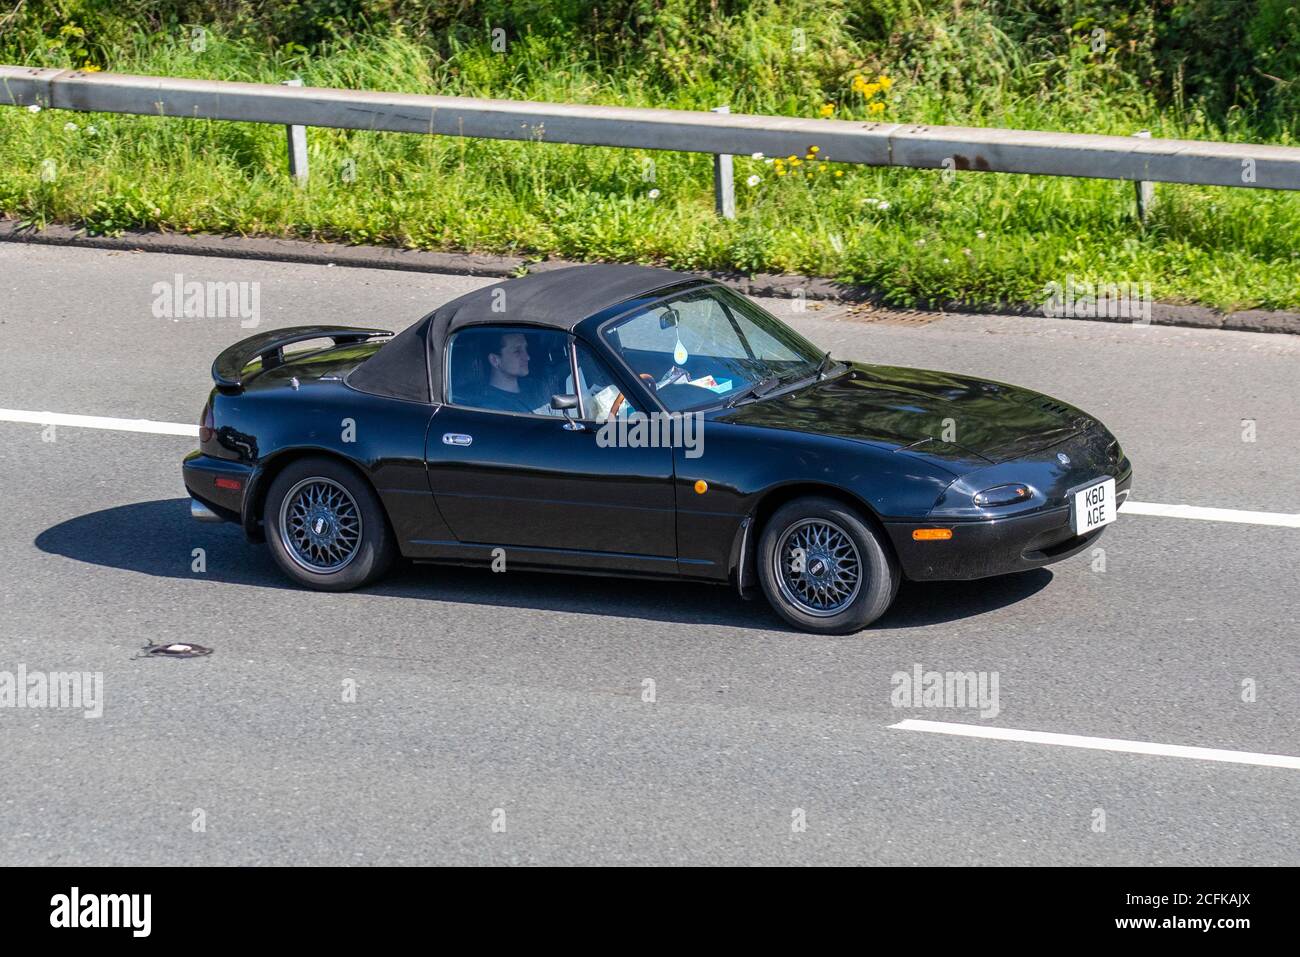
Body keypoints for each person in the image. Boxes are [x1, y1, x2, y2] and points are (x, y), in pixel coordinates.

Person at [470, 331, 550, 414]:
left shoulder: (536, 388)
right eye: (517, 351)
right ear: (495, 360)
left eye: (525, 349)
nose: (527, 357)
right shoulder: (489, 408)